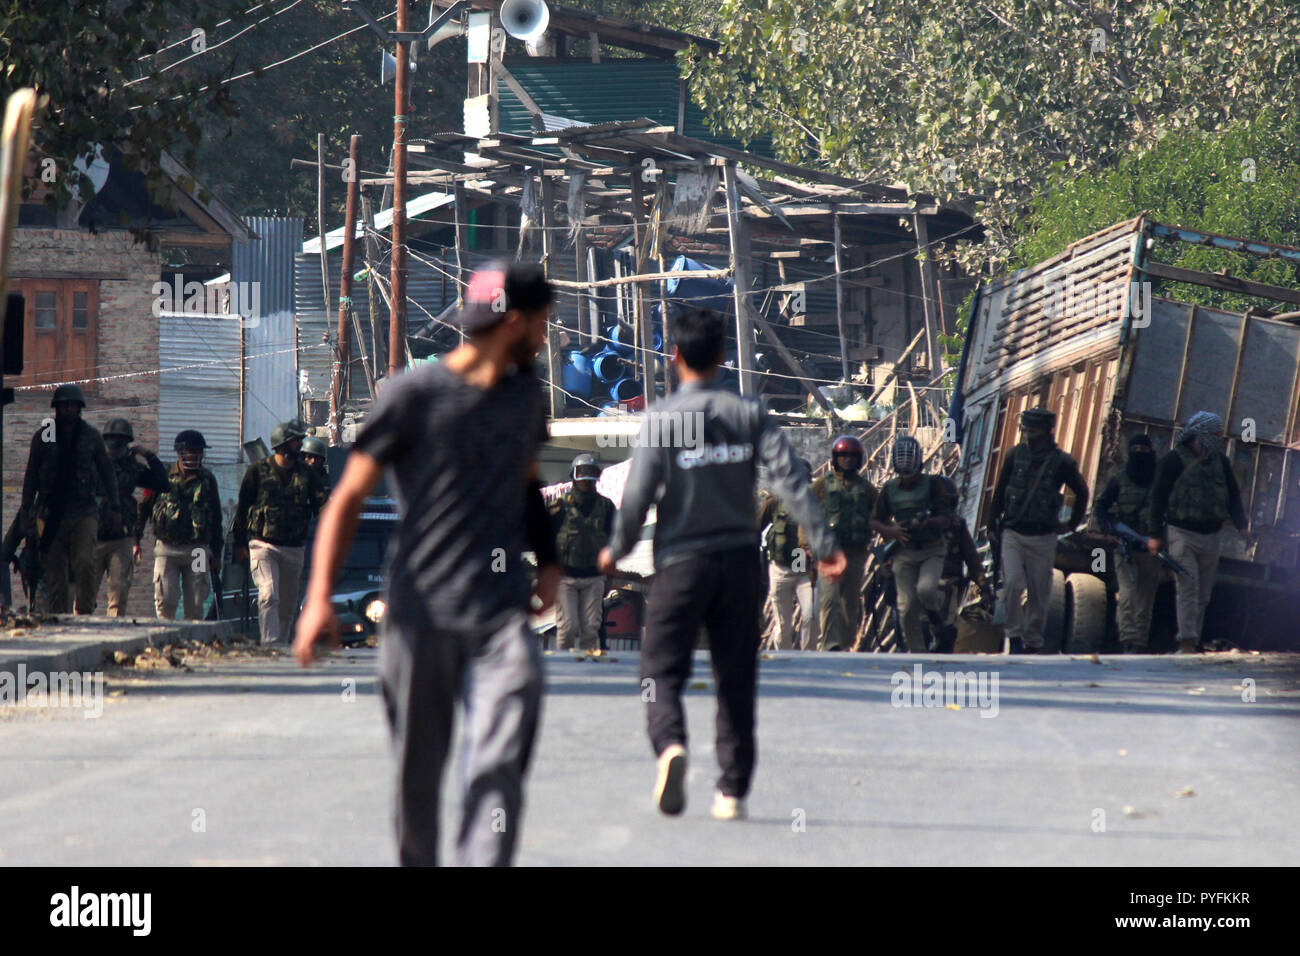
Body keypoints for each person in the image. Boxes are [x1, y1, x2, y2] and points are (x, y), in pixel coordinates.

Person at [293, 260, 560, 867]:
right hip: (418, 614)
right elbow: (348, 499)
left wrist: (548, 562)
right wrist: (317, 602)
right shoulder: (413, 397)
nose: (545, 336)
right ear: (514, 322)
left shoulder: (525, 397)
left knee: (501, 749)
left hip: (499, 615)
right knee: (420, 772)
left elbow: (526, 486)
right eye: (542, 323)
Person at [598, 306, 845, 822]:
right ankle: (731, 791)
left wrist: (616, 548)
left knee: (660, 668)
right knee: (735, 676)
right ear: (724, 357)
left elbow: (638, 494)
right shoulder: (749, 415)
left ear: (675, 357)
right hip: (739, 563)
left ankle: (670, 745)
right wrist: (823, 543)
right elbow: (790, 482)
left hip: (680, 562)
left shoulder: (662, 419)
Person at [988, 407, 1089, 653]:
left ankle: (1032, 640)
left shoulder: (1061, 462)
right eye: (1026, 427)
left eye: (1034, 428)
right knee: (1012, 583)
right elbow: (1000, 491)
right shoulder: (1014, 455)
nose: (1029, 433)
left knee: (1039, 591)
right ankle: (1013, 637)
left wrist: (1072, 524)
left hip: (1043, 536)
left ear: (1046, 431)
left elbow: (1082, 492)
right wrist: (992, 525)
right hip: (1013, 531)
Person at [1147, 411, 1248, 654]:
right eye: (1215, 434)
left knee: (1204, 593)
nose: (1219, 439)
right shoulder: (1173, 461)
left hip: (1211, 536)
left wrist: (1242, 526)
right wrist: (1154, 535)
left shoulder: (1221, 463)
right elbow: (1157, 498)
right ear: (1199, 435)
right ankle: (1187, 641)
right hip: (1181, 533)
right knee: (1188, 588)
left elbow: (1233, 496)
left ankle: (1194, 637)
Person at [20, 384, 119, 614]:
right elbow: (31, 474)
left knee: (84, 562)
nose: (68, 410)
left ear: (80, 408)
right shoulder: (45, 434)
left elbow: (107, 473)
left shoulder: (91, 436)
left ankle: (84, 612)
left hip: (84, 511)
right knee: (54, 571)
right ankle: (58, 617)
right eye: (64, 405)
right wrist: (26, 511)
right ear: (56, 407)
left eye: (73, 405)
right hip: (50, 513)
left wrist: (115, 508)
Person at [232, 421, 329, 646]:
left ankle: (282, 646)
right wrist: (239, 543)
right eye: (296, 440)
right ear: (282, 444)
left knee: (287, 604)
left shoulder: (306, 474)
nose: (300, 445)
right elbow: (243, 508)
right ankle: (270, 644)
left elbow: (320, 506)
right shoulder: (257, 471)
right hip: (263, 546)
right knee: (268, 594)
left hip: (294, 548)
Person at [870, 435, 956, 652]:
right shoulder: (889, 489)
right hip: (904, 553)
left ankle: (936, 622)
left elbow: (947, 518)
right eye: (902, 459)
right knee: (906, 608)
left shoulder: (934, 485)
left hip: (932, 549)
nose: (906, 464)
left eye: (909, 459)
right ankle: (918, 653)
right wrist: (892, 531)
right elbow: (875, 520)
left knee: (926, 591)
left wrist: (927, 522)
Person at [137, 430, 224, 620]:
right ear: (180, 453)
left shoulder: (208, 480)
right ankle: (164, 641)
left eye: (198, 451)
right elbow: (143, 508)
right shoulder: (162, 475)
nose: (195, 455)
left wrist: (216, 554)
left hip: (199, 549)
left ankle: (194, 645)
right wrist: (136, 540)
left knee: (196, 602)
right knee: (166, 600)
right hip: (167, 549)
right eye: (191, 451)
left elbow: (216, 519)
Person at [1093, 434, 1161, 654]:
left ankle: (1140, 641)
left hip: (1151, 547)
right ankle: (1129, 640)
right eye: (1136, 448)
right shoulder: (1119, 479)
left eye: (1144, 448)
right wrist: (1110, 531)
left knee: (1145, 599)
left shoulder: (1161, 481)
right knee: (1128, 595)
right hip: (1126, 547)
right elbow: (1101, 507)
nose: (1139, 453)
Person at [95, 418, 169, 617]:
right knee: (84, 597)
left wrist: (149, 455)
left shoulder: (132, 468)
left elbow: (163, 484)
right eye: (112, 438)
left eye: (120, 439)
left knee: (118, 596)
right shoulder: (93, 463)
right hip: (93, 536)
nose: (115, 443)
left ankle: (113, 636)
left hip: (122, 537)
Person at [812, 434, 877, 651]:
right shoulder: (821, 485)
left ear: (858, 459)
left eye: (851, 455)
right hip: (829, 553)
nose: (847, 459)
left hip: (856, 553)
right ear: (835, 458)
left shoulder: (867, 489)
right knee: (829, 600)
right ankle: (830, 645)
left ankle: (846, 644)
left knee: (850, 603)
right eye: (842, 455)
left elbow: (881, 518)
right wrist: (803, 548)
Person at [548, 454, 615, 653]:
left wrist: (609, 577)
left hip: (595, 577)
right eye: (582, 474)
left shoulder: (607, 506)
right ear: (573, 476)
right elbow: (544, 540)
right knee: (567, 628)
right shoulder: (558, 506)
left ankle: (587, 673)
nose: (586, 479)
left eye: (591, 474)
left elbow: (614, 543)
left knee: (590, 629)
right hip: (564, 577)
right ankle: (562, 670)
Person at [758, 458, 819, 651]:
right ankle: (784, 661)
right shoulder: (774, 503)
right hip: (780, 568)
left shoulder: (815, 504)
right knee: (783, 627)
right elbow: (754, 529)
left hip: (805, 569)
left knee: (811, 615)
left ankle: (808, 660)